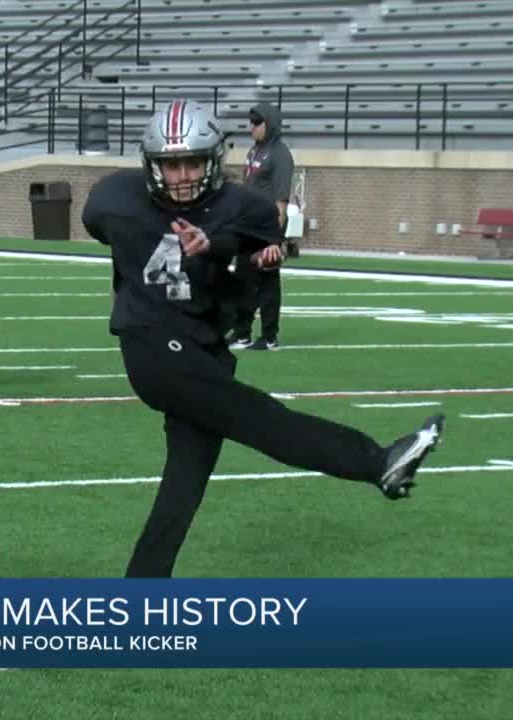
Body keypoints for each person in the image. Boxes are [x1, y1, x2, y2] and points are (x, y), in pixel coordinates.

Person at [81, 99, 446, 578]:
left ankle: (144, 587)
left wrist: (216, 251)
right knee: (263, 419)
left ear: (214, 160)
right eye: (171, 165)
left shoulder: (245, 208)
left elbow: (253, 275)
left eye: (193, 161)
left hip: (207, 347)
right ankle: (376, 462)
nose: (183, 175)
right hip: (152, 348)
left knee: (184, 479)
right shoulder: (114, 197)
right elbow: (117, 248)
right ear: (152, 166)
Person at [229, 102, 294, 351]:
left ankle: (269, 337)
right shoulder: (255, 151)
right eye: (251, 123)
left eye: (257, 123)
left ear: (270, 124)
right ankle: (241, 332)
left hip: (266, 230)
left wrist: (274, 240)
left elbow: (281, 201)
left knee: (267, 285)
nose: (251, 128)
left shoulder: (280, 154)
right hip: (248, 227)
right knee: (243, 281)